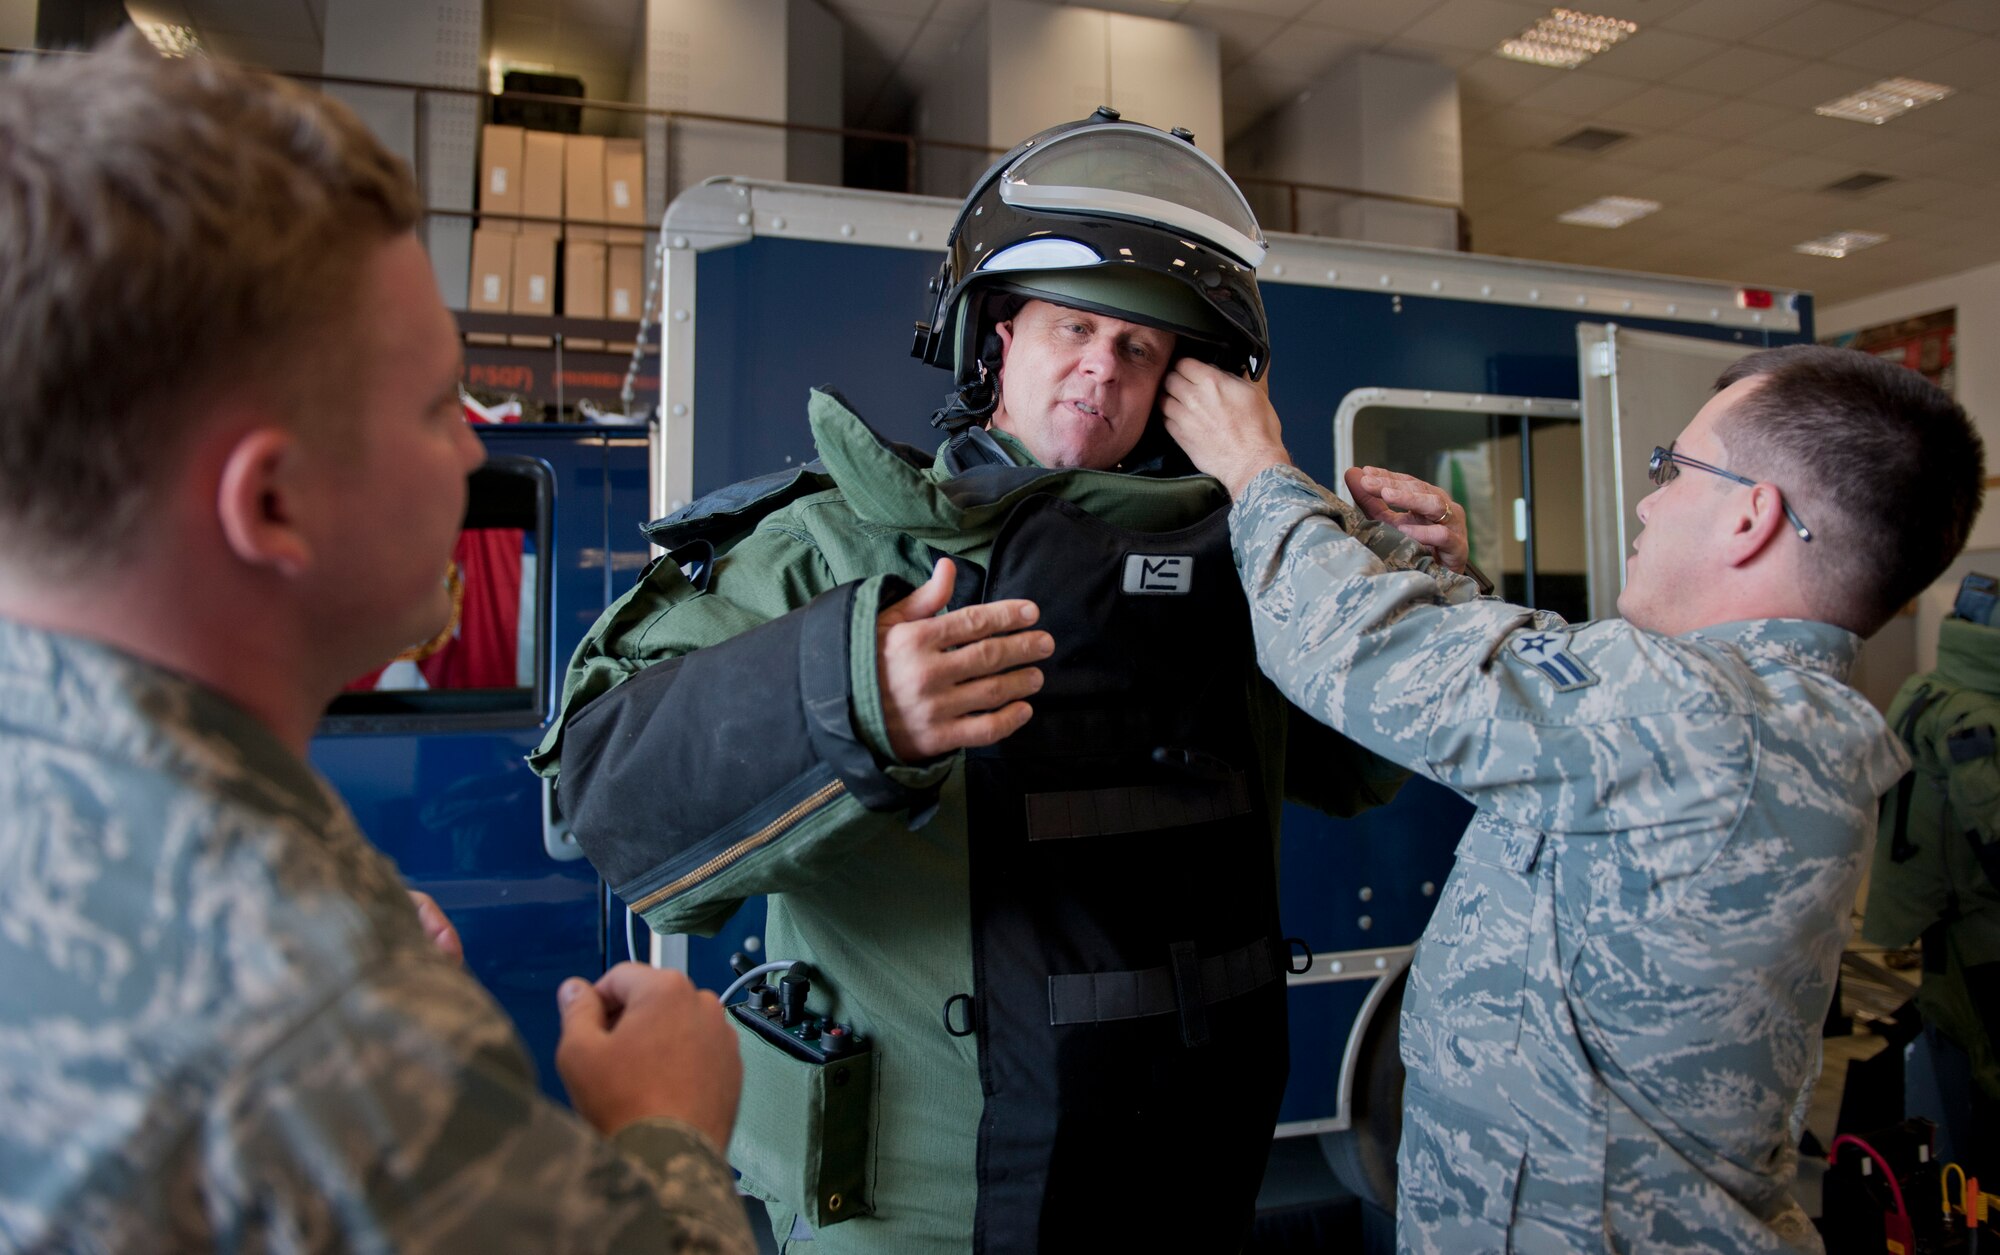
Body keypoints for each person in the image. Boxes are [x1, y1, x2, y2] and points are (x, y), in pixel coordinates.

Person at [532, 109, 1461, 1252]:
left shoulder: (1249, 563)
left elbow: (1358, 767)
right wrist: (848, 699)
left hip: (1188, 1192)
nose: (1101, 366)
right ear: (998, 341)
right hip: (919, 1223)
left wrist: (1404, 588)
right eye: (1073, 326)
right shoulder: (835, 545)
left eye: (1138, 349)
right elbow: (603, 799)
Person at [0, 35, 752, 1253]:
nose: (471, 449)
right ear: (273, 502)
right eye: (434, 407)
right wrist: (664, 1123)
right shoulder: (311, 1007)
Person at [1158, 343, 1984, 1253]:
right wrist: (1428, 570)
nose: (1648, 500)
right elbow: (1543, 684)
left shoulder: (1700, 713)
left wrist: (1254, 465)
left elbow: (1357, 650)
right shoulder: (1756, 713)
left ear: (1752, 516)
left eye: (1675, 467)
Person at [1863, 573, 2000, 1183]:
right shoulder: (1978, 718)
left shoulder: (1933, 687)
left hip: (1941, 914)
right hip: (1980, 926)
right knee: (1982, 1062)